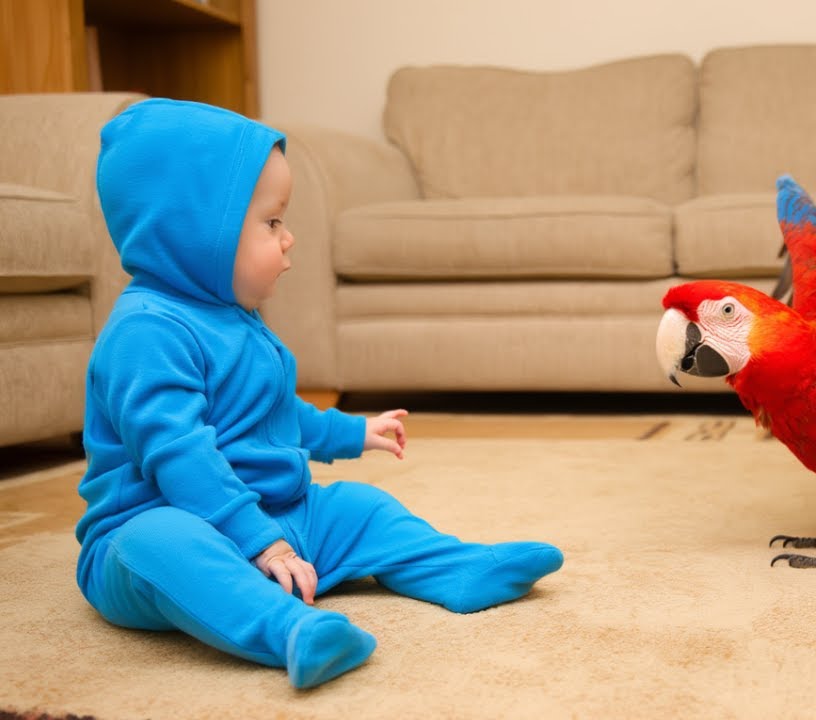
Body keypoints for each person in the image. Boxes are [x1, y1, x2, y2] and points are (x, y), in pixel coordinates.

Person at [75, 98, 564, 689]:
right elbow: (179, 454)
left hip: (274, 519)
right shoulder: (146, 332)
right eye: (271, 223)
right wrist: (260, 542)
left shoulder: (237, 318)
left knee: (361, 507)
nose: (288, 239)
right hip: (165, 526)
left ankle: (454, 568)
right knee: (163, 544)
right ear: (196, 232)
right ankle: (288, 630)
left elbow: (274, 415)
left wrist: (353, 432)